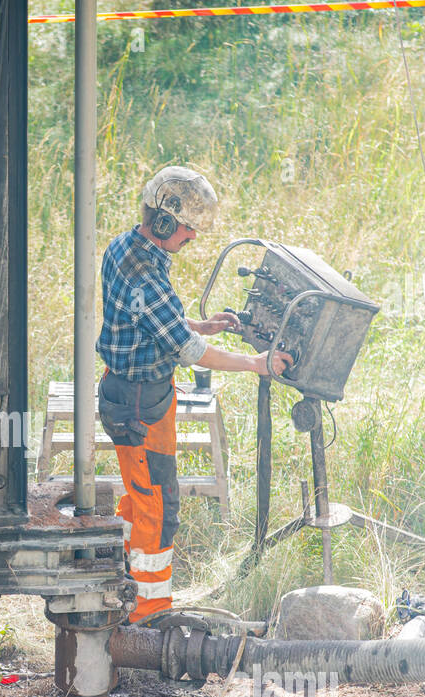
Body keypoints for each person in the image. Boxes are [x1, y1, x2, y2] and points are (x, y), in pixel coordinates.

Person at [97, 166, 292, 623]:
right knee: (159, 511)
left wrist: (199, 323)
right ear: (164, 221)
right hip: (140, 402)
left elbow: (155, 323)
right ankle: (146, 615)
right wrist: (255, 364)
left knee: (139, 498)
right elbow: (187, 350)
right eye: (188, 228)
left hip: (132, 393)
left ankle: (121, 590)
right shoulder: (145, 272)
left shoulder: (127, 247)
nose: (192, 238)